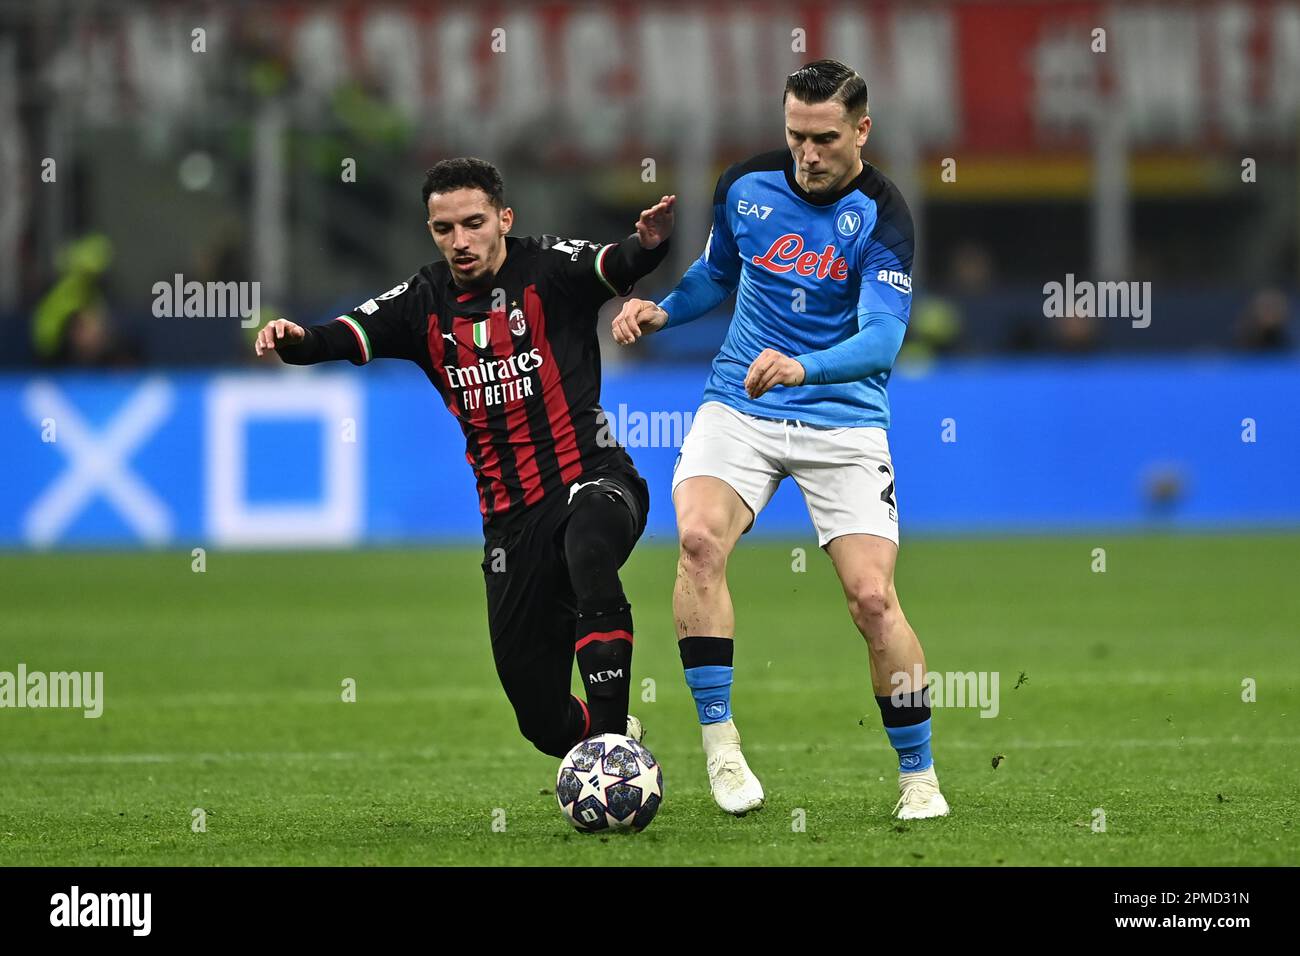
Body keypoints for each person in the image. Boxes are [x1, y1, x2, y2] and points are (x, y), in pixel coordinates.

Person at [611, 60, 948, 819]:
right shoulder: (746, 186)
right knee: (698, 542)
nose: (807, 153)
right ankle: (721, 746)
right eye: (796, 135)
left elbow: (883, 341)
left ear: (862, 130)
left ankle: (919, 777)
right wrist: (664, 310)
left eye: (825, 138)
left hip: (843, 416)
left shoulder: (884, 215)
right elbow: (715, 275)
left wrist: (804, 367)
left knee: (872, 600)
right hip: (742, 401)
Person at [256, 157, 674, 759]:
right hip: (511, 524)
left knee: (588, 546)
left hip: (595, 477)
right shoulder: (423, 301)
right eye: (443, 228)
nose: (460, 241)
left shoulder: (551, 268)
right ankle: (605, 731)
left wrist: (648, 244)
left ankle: (612, 752)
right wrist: (296, 341)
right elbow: (338, 337)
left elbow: (618, 263)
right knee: (542, 721)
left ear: (504, 219)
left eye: (473, 223)